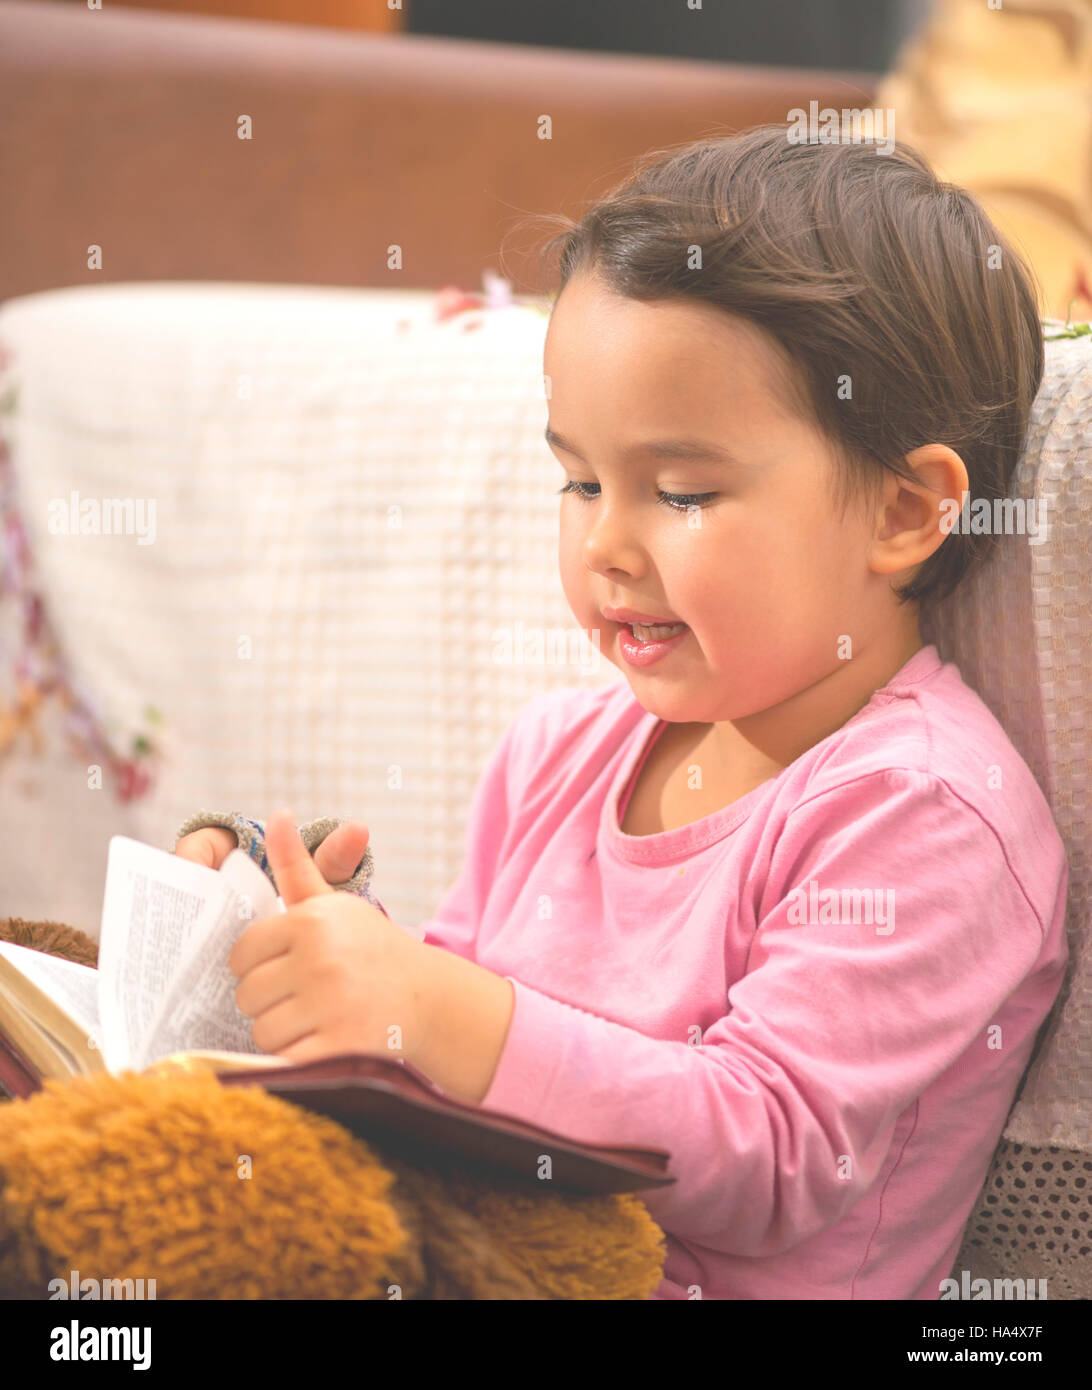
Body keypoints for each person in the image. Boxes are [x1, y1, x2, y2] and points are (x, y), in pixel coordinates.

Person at [175, 125, 1069, 1300]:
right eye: (581, 481)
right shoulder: (559, 751)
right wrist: (331, 945)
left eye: (682, 493)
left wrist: (449, 1016)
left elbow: (772, 1150)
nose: (604, 544)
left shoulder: (926, 811)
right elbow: (459, 1055)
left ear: (904, 513)